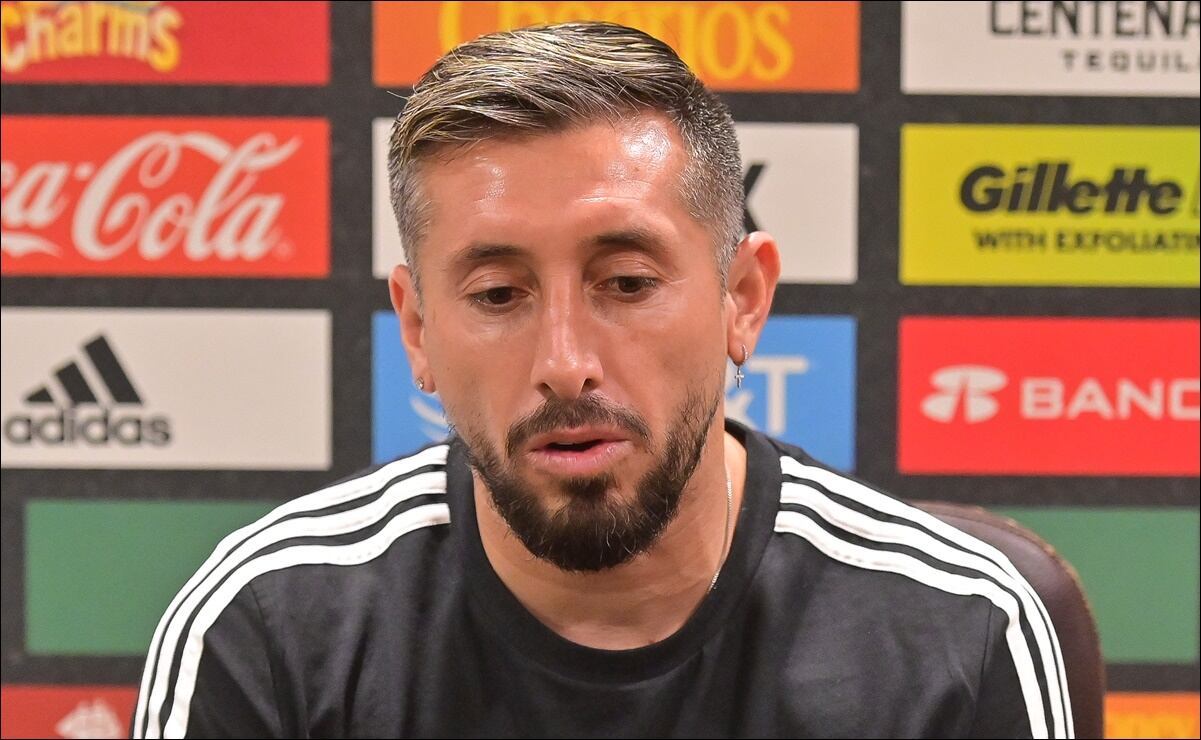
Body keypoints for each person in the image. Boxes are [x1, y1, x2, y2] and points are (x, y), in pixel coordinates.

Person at [132, 21, 1071, 739]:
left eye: (625, 283)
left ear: (742, 298)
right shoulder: (266, 628)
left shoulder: (958, 631)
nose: (562, 363)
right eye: (498, 295)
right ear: (417, 329)